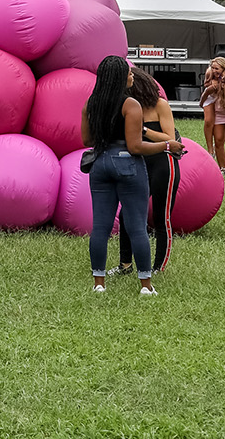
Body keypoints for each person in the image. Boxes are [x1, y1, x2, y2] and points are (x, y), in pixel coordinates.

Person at [82, 55, 183, 296]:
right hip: (127, 164)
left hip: (100, 164)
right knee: (137, 225)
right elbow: (135, 146)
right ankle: (146, 285)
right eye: (128, 73)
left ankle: (99, 283)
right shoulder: (131, 105)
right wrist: (167, 146)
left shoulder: (90, 104)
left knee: (101, 227)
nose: (132, 76)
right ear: (119, 77)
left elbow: (87, 140)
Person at [117, 64, 183, 277]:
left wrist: (143, 129)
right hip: (139, 163)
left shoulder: (159, 105)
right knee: (126, 214)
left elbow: (169, 138)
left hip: (164, 163)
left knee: (161, 217)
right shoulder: (127, 107)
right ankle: (125, 265)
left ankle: (159, 267)